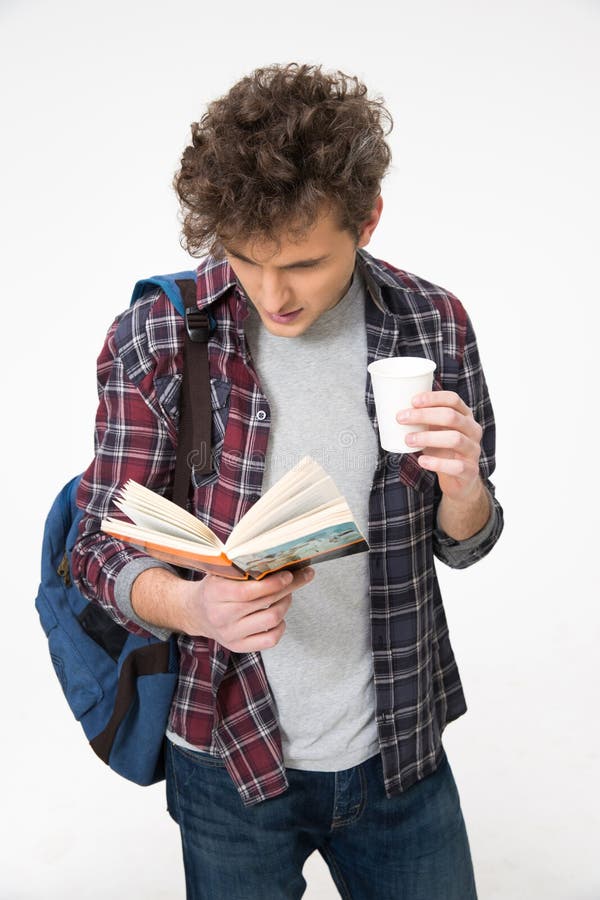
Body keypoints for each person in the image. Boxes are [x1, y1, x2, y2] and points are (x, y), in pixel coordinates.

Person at [72, 63, 504, 900]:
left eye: (304, 263)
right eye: (246, 259)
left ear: (368, 221)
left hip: (400, 749)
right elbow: (96, 547)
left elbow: (467, 544)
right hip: (227, 755)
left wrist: (464, 490)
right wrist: (195, 607)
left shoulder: (432, 324)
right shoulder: (160, 333)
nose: (274, 294)